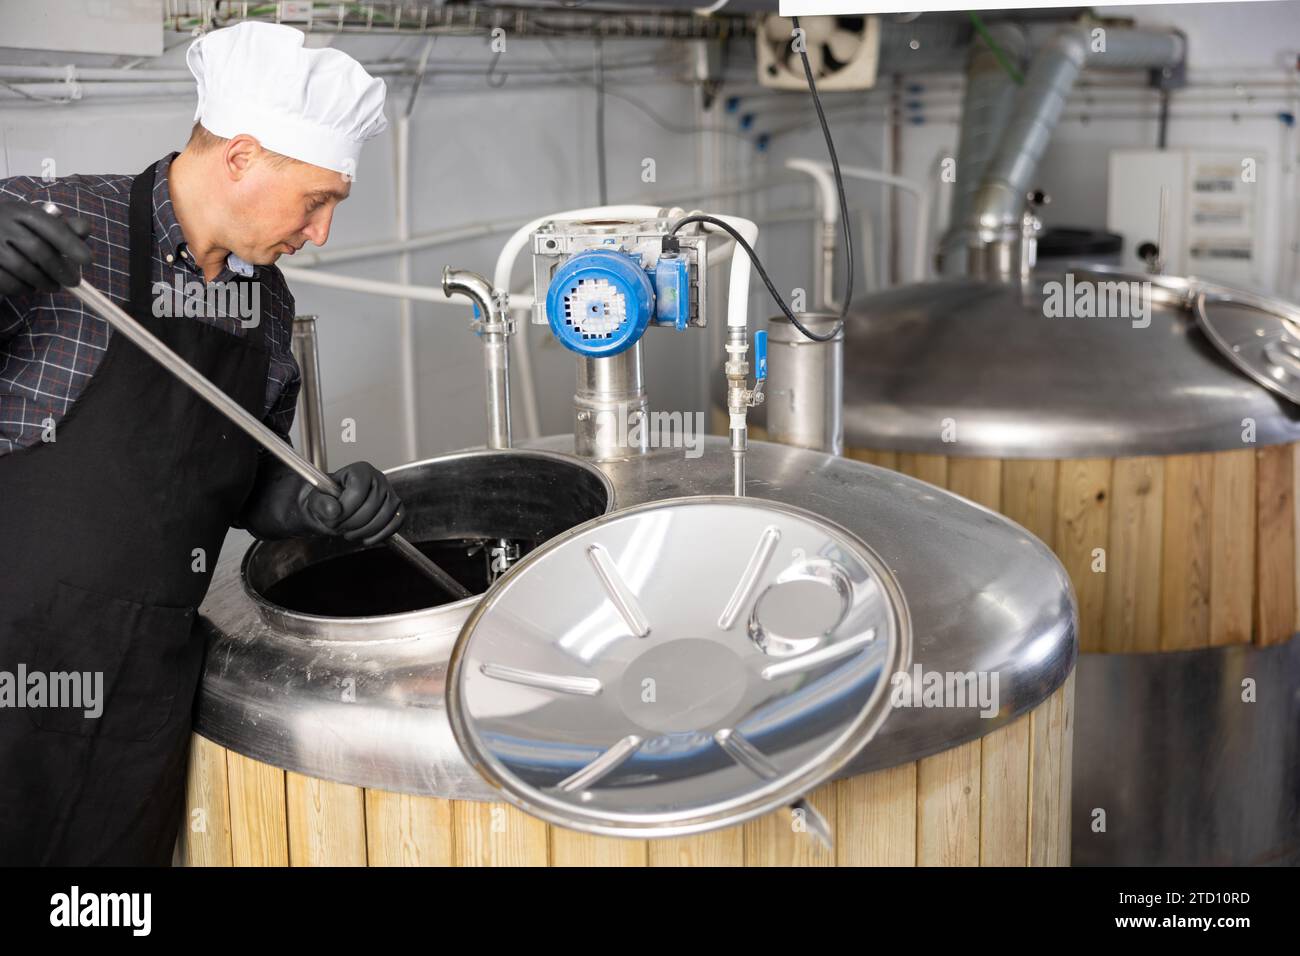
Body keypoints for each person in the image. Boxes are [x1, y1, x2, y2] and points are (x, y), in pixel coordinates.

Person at [0, 22, 404, 864]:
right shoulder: (58, 232)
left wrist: (298, 502)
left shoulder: (268, 311)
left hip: (138, 697)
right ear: (243, 157)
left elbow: (233, 477)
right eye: (317, 200)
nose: (322, 232)